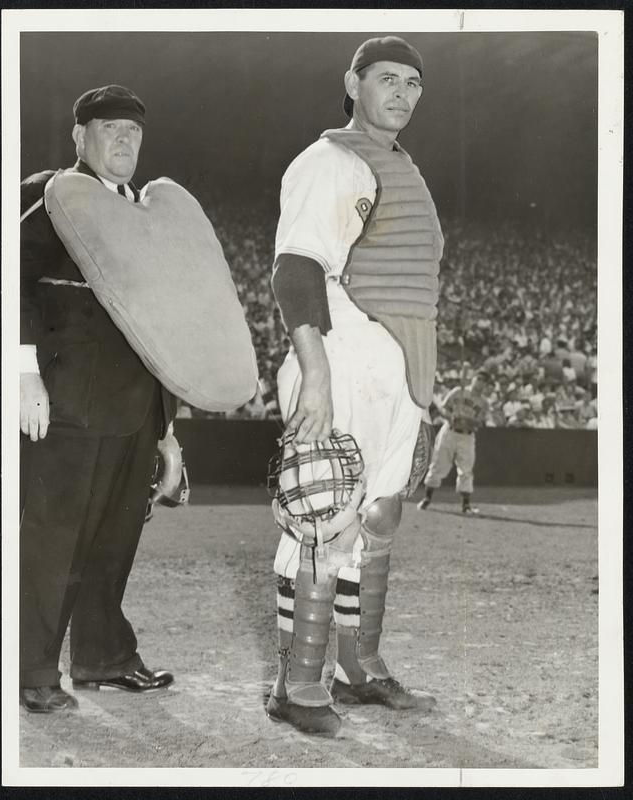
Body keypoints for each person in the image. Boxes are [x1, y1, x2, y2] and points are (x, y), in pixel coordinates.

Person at [267, 36, 441, 737]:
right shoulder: (329, 158)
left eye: (412, 84)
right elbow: (296, 268)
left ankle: (357, 665)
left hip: (399, 362)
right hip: (345, 353)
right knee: (323, 513)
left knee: (377, 520)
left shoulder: (400, 167)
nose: (400, 93)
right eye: (386, 79)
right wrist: (315, 373)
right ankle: (299, 683)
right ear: (353, 83)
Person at [19, 85, 177, 713]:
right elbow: (8, 279)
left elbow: (163, 325)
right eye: (109, 128)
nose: (123, 141)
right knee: (54, 539)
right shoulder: (49, 194)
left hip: (136, 408)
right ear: (79, 137)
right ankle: (32, 672)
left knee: (114, 541)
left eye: (133, 132)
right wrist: (23, 374)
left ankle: (103, 656)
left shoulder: (146, 213)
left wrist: (168, 429)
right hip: (66, 402)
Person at [417, 370, 491, 514]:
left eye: (484, 380)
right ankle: (427, 498)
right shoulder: (458, 391)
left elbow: (479, 422)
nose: (480, 382)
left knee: (466, 469)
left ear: (486, 385)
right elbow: (443, 408)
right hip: (449, 431)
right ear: (473, 379)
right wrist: (450, 416)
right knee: (438, 464)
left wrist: (467, 419)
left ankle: (465, 505)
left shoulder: (484, 402)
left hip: (467, 436)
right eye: (479, 378)